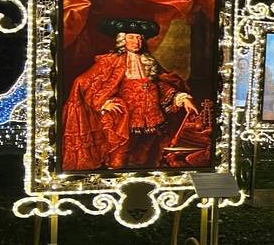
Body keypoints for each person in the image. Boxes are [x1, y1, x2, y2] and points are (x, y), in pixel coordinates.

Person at [61, 18, 204, 170]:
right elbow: (83, 82)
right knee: (119, 159)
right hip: (125, 120)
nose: (136, 41)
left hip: (152, 118)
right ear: (123, 39)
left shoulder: (148, 60)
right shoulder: (112, 61)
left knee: (144, 157)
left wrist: (181, 98)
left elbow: (159, 85)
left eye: (139, 38)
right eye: (131, 37)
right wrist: (103, 102)